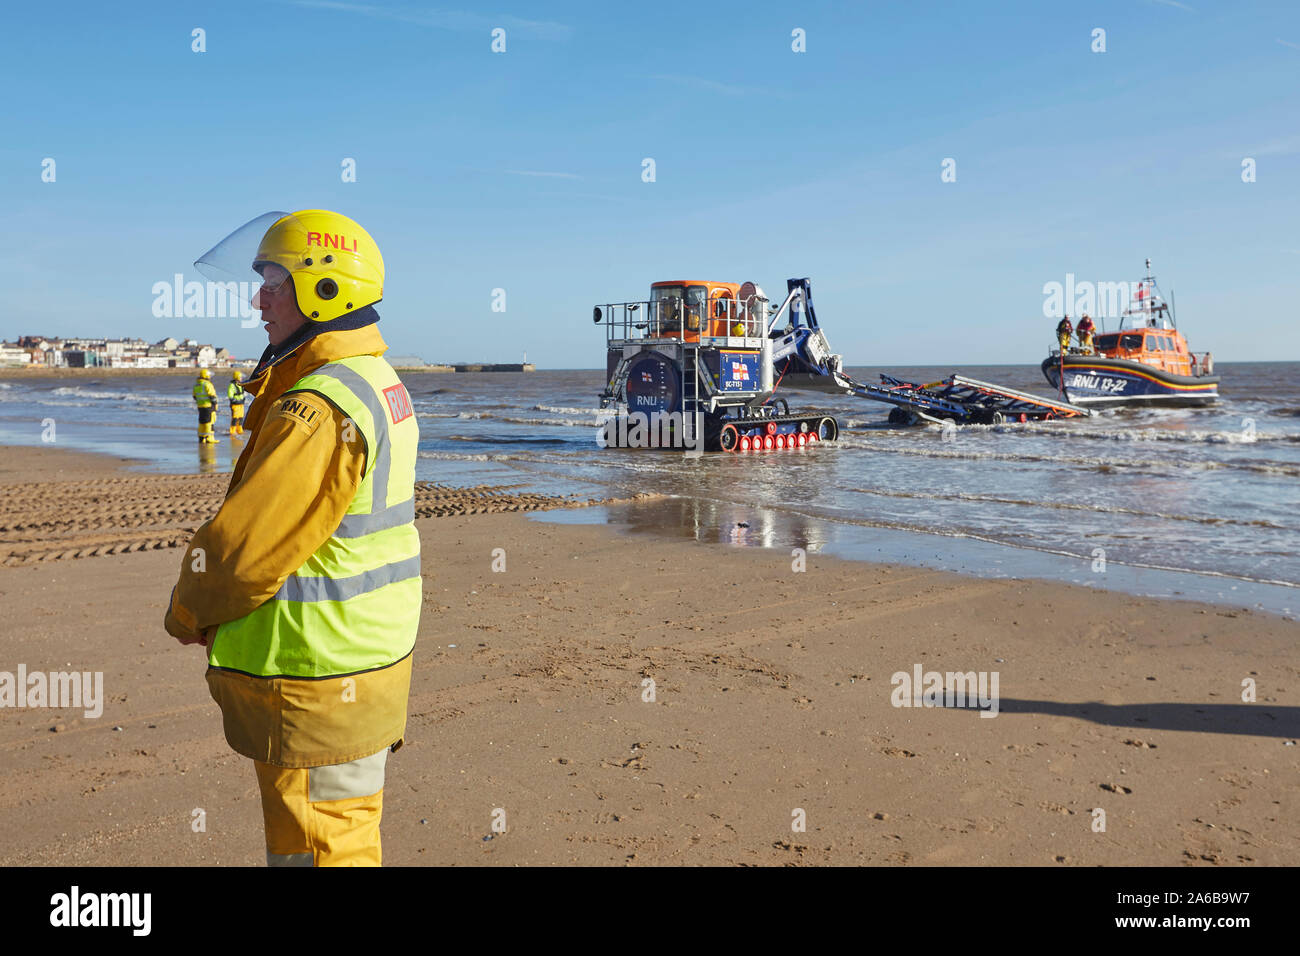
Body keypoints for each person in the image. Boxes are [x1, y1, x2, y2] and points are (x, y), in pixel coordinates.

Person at [165, 209, 421, 867]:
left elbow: (243, 553)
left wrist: (189, 611)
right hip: (360, 668)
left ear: (326, 289)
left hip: (315, 676)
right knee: (344, 836)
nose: (259, 299)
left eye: (273, 281)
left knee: (317, 849)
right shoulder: (374, 382)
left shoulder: (319, 405)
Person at [193, 368, 218, 443]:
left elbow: (194, 396)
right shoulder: (207, 384)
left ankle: (201, 437)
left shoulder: (197, 385)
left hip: (200, 406)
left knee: (202, 422)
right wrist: (215, 405)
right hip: (208, 406)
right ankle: (209, 438)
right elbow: (212, 396)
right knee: (209, 422)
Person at [227, 370, 247, 435]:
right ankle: (232, 431)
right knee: (235, 417)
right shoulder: (232, 385)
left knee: (241, 417)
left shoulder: (240, 384)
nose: (241, 378)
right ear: (237, 377)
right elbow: (230, 395)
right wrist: (234, 400)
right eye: (240, 377)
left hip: (241, 404)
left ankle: (239, 430)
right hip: (235, 404)